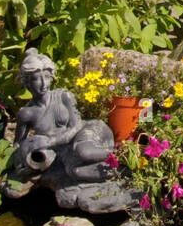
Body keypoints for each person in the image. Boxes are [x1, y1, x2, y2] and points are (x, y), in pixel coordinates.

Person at [10, 48, 114, 185]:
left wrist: (50, 142)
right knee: (76, 172)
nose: (43, 84)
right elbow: (18, 143)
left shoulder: (63, 96)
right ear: (27, 82)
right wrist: (21, 163)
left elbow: (76, 126)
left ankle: (121, 154)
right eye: (36, 79)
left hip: (85, 133)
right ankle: (117, 170)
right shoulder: (26, 113)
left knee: (84, 152)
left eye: (47, 77)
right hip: (65, 153)